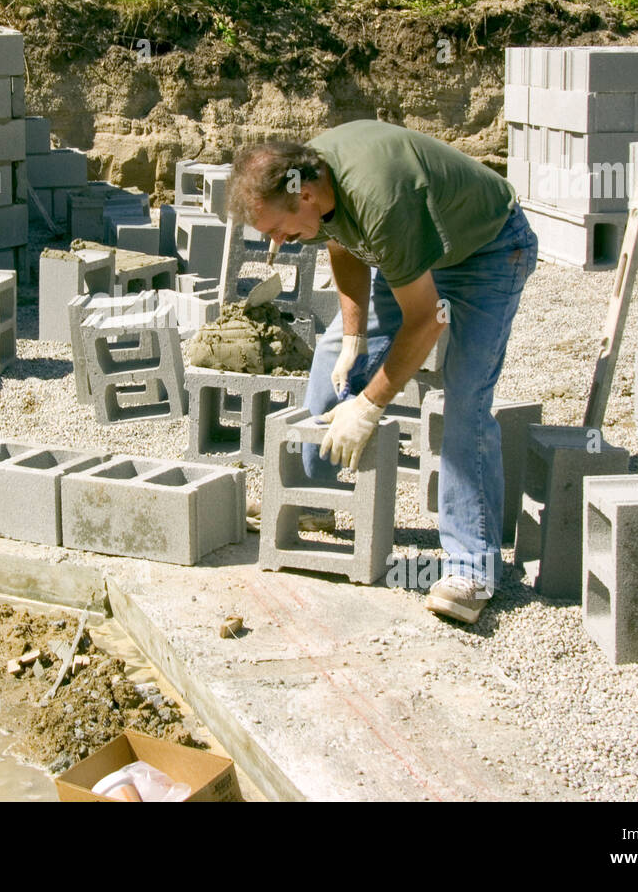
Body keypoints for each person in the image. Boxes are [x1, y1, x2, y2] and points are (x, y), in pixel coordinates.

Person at [227, 119, 537, 624]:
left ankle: (471, 569)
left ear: (305, 195)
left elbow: (426, 320)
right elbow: (342, 244)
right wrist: (353, 338)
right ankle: (315, 497)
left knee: (465, 399)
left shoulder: (380, 200)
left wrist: (369, 405)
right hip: (420, 246)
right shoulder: (310, 178)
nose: (276, 245)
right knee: (330, 357)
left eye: (278, 231)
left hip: (490, 250)